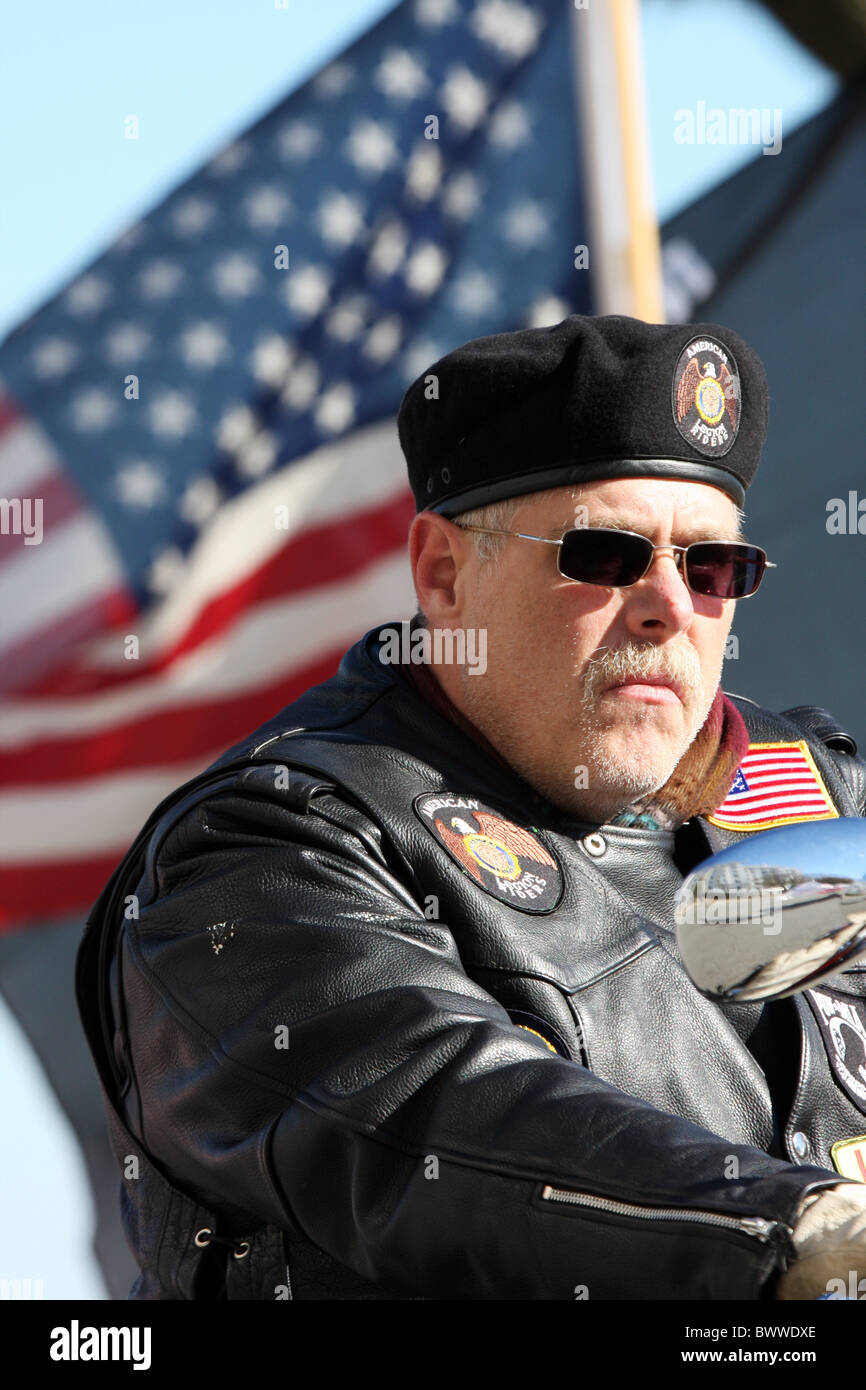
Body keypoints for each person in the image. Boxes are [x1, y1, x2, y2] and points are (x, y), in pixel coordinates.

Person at [77, 314, 866, 1300]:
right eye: (606, 554)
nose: (669, 604)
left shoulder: (813, 794)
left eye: (712, 568)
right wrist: (796, 1235)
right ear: (443, 575)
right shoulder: (268, 848)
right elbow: (439, 1113)